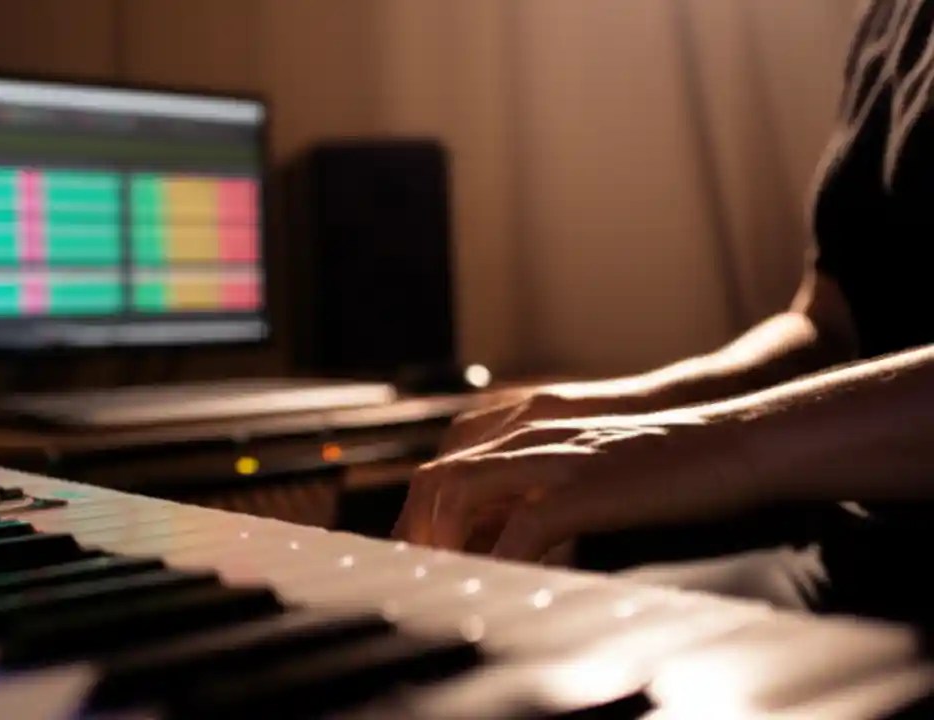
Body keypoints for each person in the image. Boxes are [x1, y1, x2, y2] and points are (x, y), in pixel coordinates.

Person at [394, 0, 934, 621]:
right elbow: (830, 327)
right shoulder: (891, 16)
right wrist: (614, 409)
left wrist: (706, 443)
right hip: (845, 570)